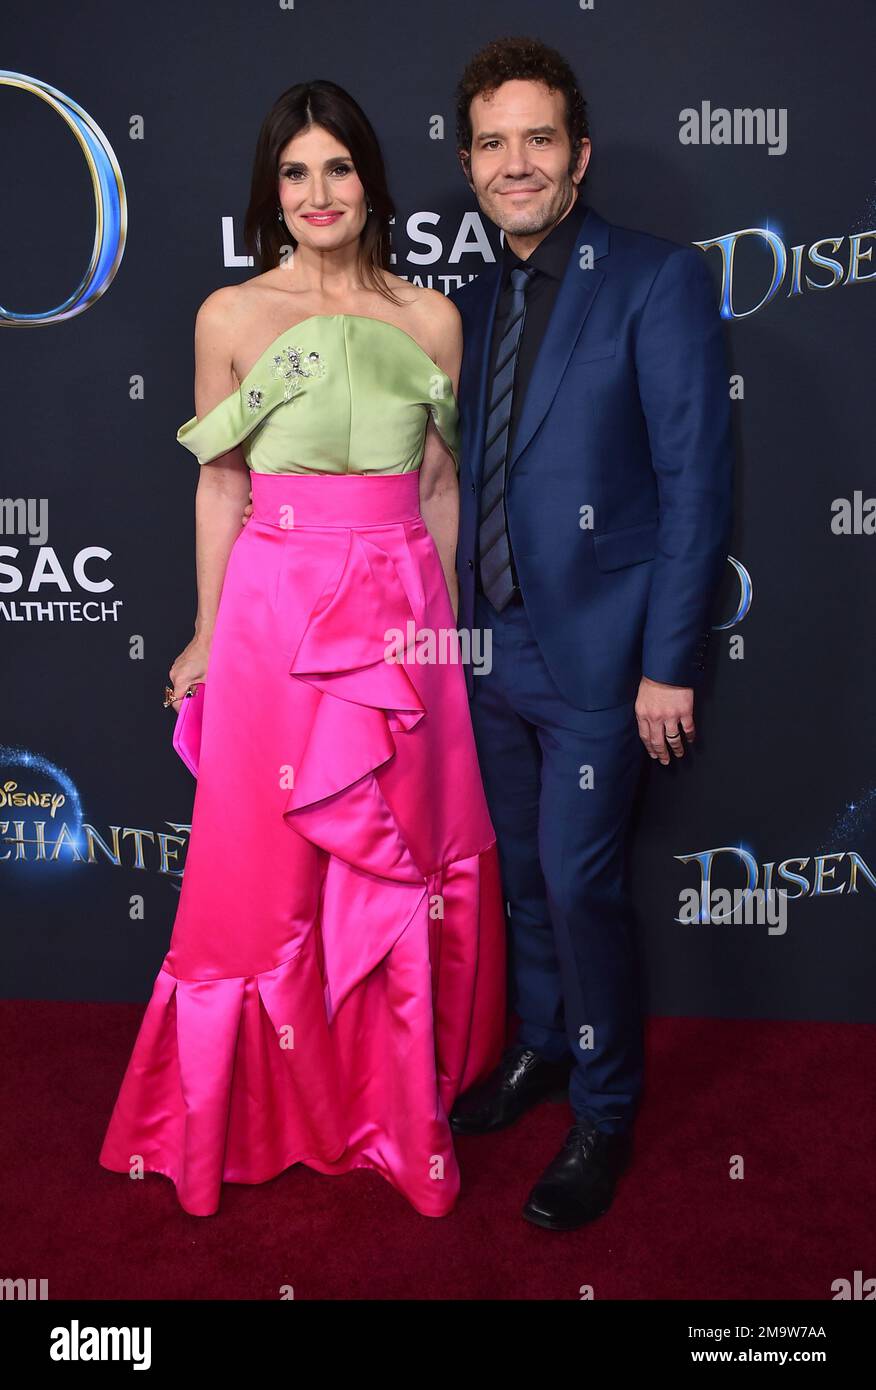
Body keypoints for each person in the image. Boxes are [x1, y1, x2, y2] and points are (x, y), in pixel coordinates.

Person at [99, 79, 506, 1219]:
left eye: (337, 168)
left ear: (370, 180)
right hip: (275, 616)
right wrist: (203, 630)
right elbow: (218, 483)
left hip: (401, 621)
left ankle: (393, 1102)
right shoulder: (229, 317)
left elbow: (437, 488)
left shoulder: (430, 318)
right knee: (263, 871)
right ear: (270, 194)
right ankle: (259, 1109)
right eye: (295, 173)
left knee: (392, 858)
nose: (319, 193)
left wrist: (447, 635)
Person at [447, 37, 733, 1230]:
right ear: (470, 163)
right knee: (522, 878)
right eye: (494, 143)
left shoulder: (656, 280)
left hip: (607, 659)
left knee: (578, 880)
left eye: (539, 139)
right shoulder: (470, 298)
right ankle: (542, 1046)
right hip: (490, 647)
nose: (517, 164)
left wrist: (668, 661)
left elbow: (695, 480)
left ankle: (605, 1108)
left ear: (580, 153)